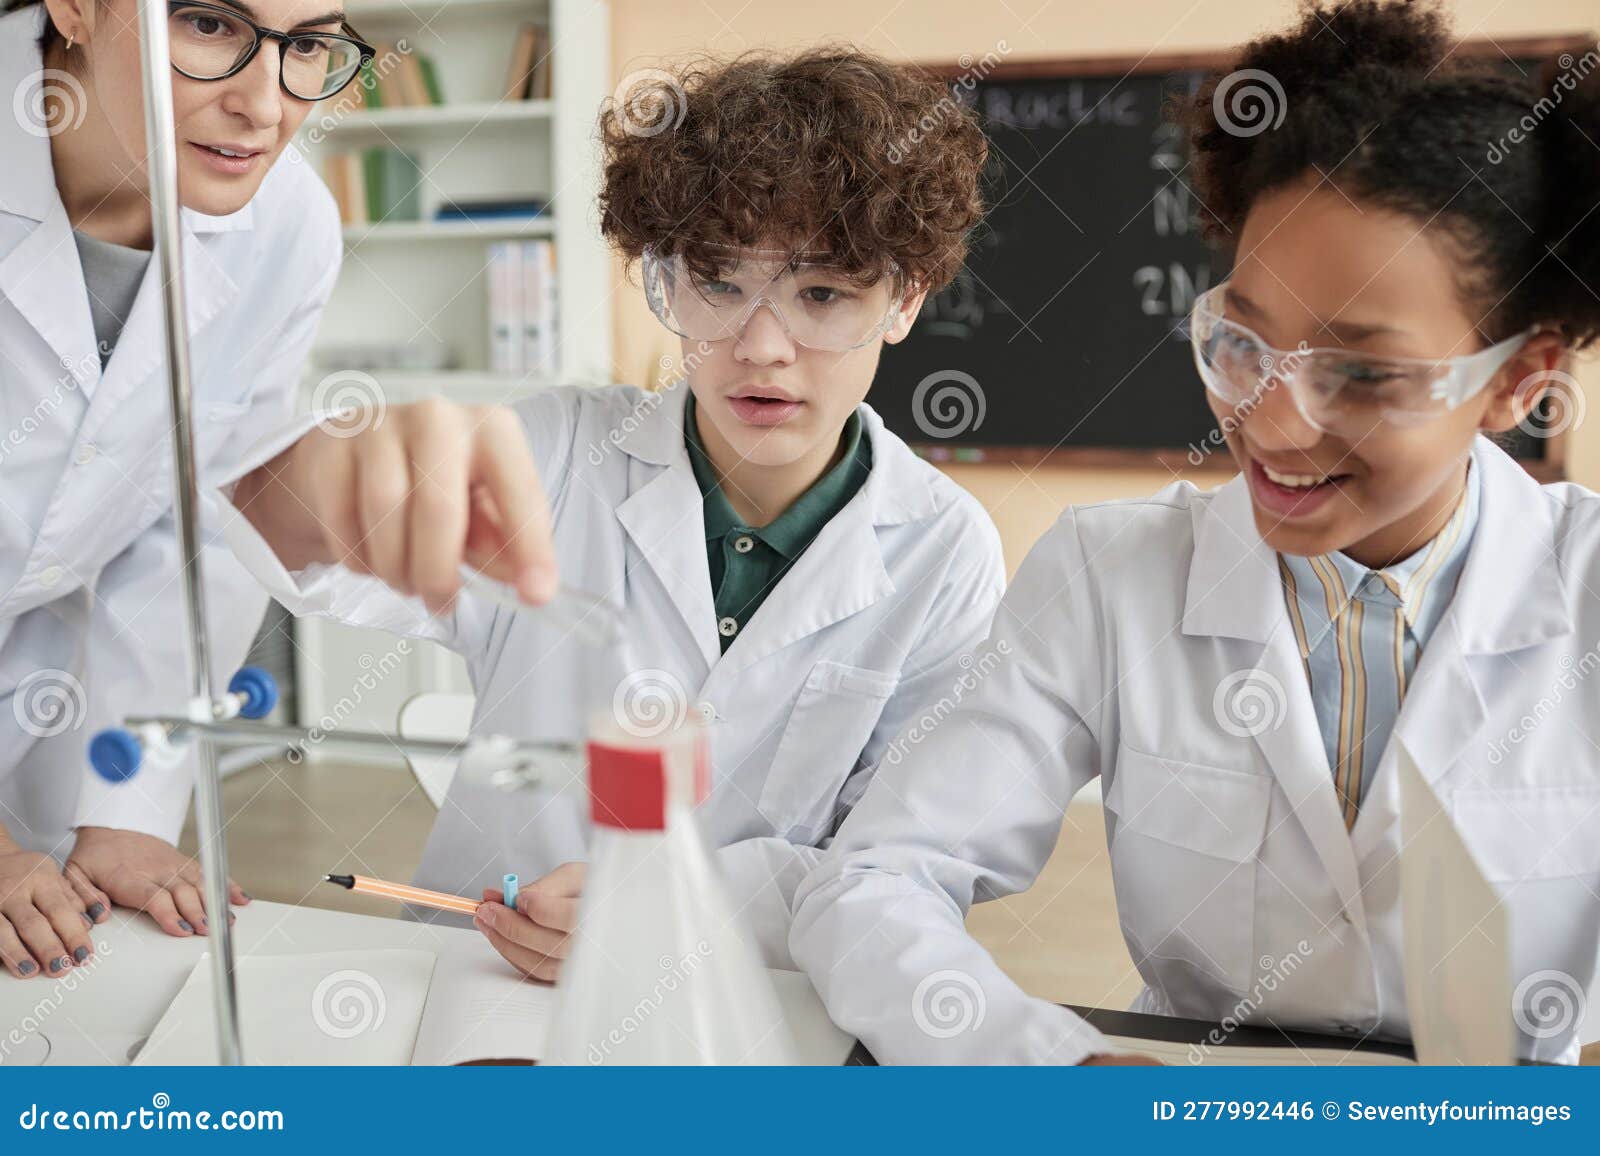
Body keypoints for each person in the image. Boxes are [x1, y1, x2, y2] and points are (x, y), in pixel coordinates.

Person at [789, 0, 1600, 1064]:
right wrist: (1051, 1070)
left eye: (1359, 372)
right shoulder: (1109, 574)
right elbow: (870, 880)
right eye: (1242, 341)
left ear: (1520, 382)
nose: (1266, 420)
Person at [218, 47, 1005, 973]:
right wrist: (315, 479)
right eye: (716, 282)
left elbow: (904, 862)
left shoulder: (944, 552)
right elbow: (313, 562)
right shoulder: (554, 454)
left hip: (746, 999)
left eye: (822, 294)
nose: (760, 346)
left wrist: (675, 914)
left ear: (905, 298)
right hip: (483, 983)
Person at [0, 0, 357, 977]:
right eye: (207, 23)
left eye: (308, 45)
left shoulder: (287, 222)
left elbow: (198, 523)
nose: (263, 103)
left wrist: (118, 809)